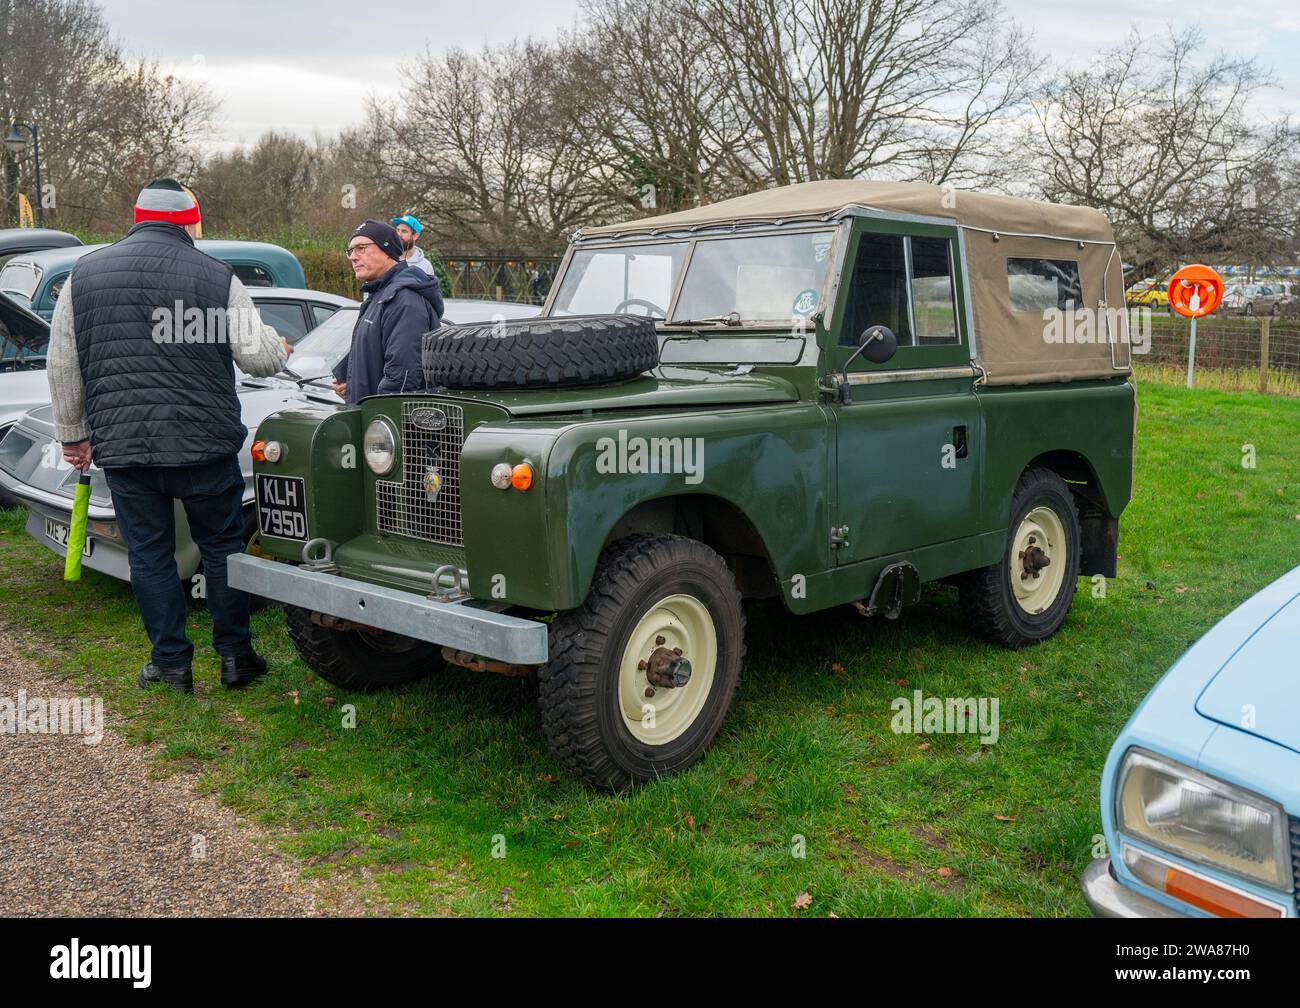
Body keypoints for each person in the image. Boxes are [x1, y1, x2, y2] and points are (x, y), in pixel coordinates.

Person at [46, 178, 291, 694]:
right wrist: (278, 343)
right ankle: (236, 659)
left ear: (137, 218)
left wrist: (74, 435)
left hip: (126, 445)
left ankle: (172, 666)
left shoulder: (82, 276)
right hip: (205, 443)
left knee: (150, 555)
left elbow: (64, 363)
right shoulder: (217, 275)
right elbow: (260, 359)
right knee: (223, 547)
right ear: (190, 222)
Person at [331, 220, 443, 404]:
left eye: (361, 248)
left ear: (387, 250)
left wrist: (377, 417)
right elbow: (372, 350)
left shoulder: (405, 300)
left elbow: (403, 378)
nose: (353, 257)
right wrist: (349, 381)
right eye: (350, 250)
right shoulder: (379, 295)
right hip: (367, 421)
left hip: (383, 427)